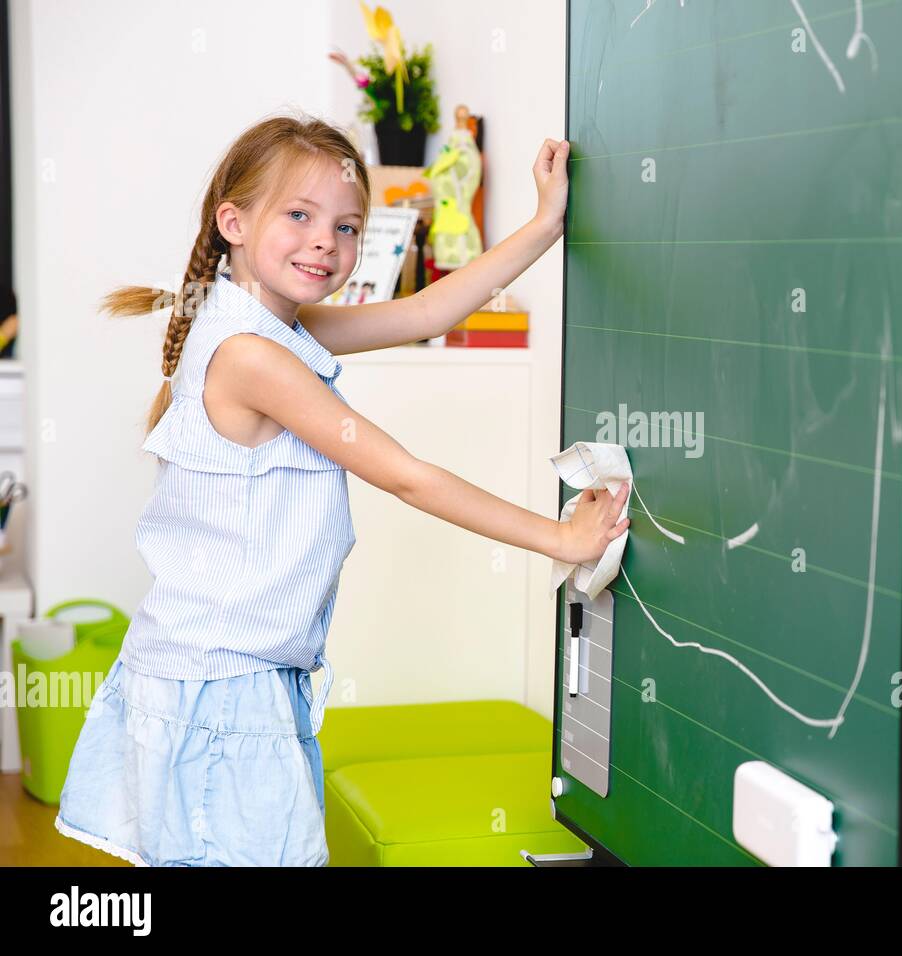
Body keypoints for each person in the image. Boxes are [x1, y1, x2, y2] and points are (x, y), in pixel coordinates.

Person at [54, 114, 621, 866]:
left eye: (347, 226)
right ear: (235, 222)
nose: (327, 240)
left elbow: (427, 310)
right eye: (300, 215)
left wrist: (544, 223)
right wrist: (559, 538)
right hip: (226, 690)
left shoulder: (268, 323)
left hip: (216, 677)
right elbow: (403, 475)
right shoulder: (252, 354)